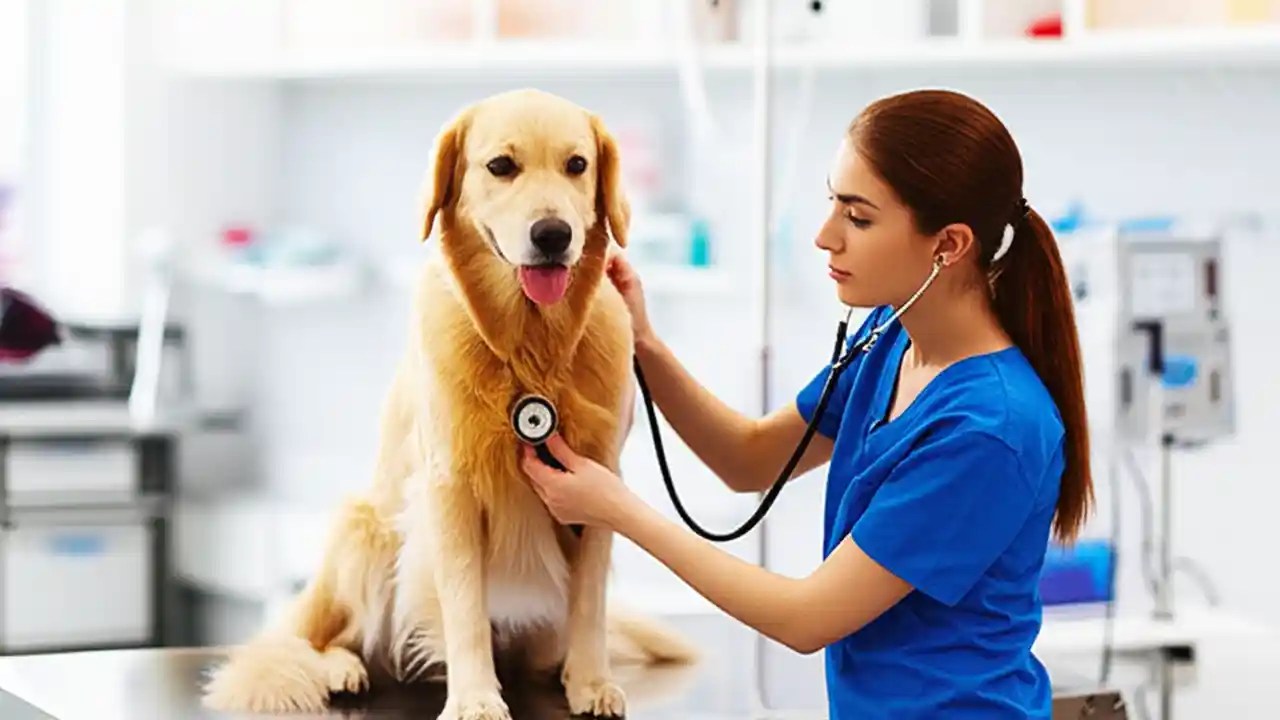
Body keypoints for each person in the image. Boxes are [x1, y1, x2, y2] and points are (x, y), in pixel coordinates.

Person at [520, 88, 1092, 719]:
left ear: (949, 245)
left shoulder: (990, 430)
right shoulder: (890, 342)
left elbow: (807, 617)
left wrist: (616, 509)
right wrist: (644, 342)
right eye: (832, 204)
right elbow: (749, 459)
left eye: (859, 217)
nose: (825, 237)